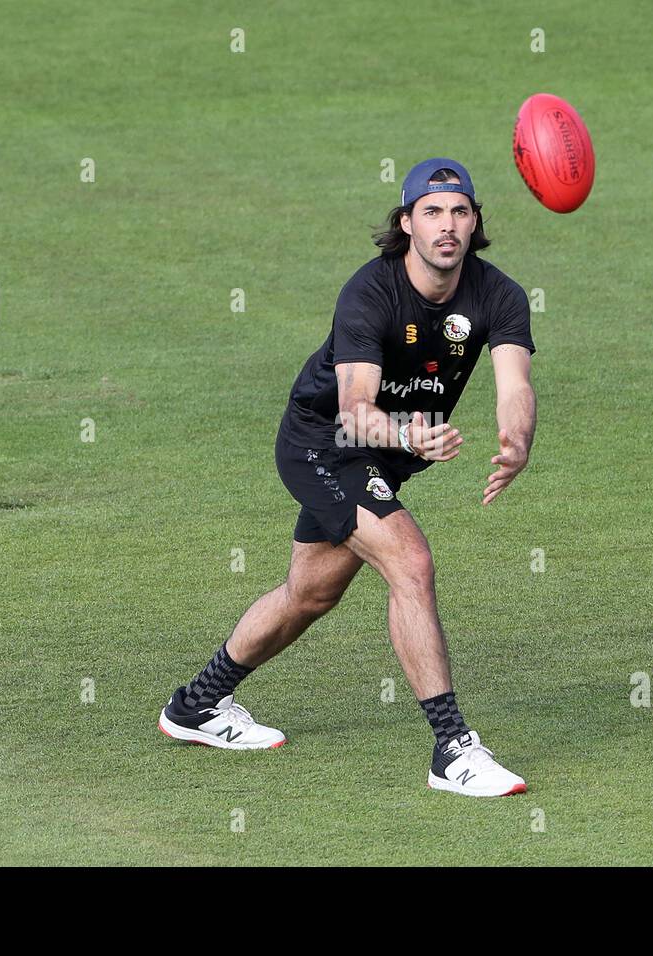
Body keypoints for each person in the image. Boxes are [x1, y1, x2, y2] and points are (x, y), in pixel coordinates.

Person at [159, 158, 537, 797]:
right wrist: (411, 434)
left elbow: (515, 383)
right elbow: (357, 411)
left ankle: (196, 705)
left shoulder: (499, 295)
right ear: (406, 222)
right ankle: (453, 749)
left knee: (309, 593)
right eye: (432, 212)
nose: (448, 226)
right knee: (410, 563)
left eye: (460, 212)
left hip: (383, 458)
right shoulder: (370, 292)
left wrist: (518, 441)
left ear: (476, 222)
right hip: (324, 442)